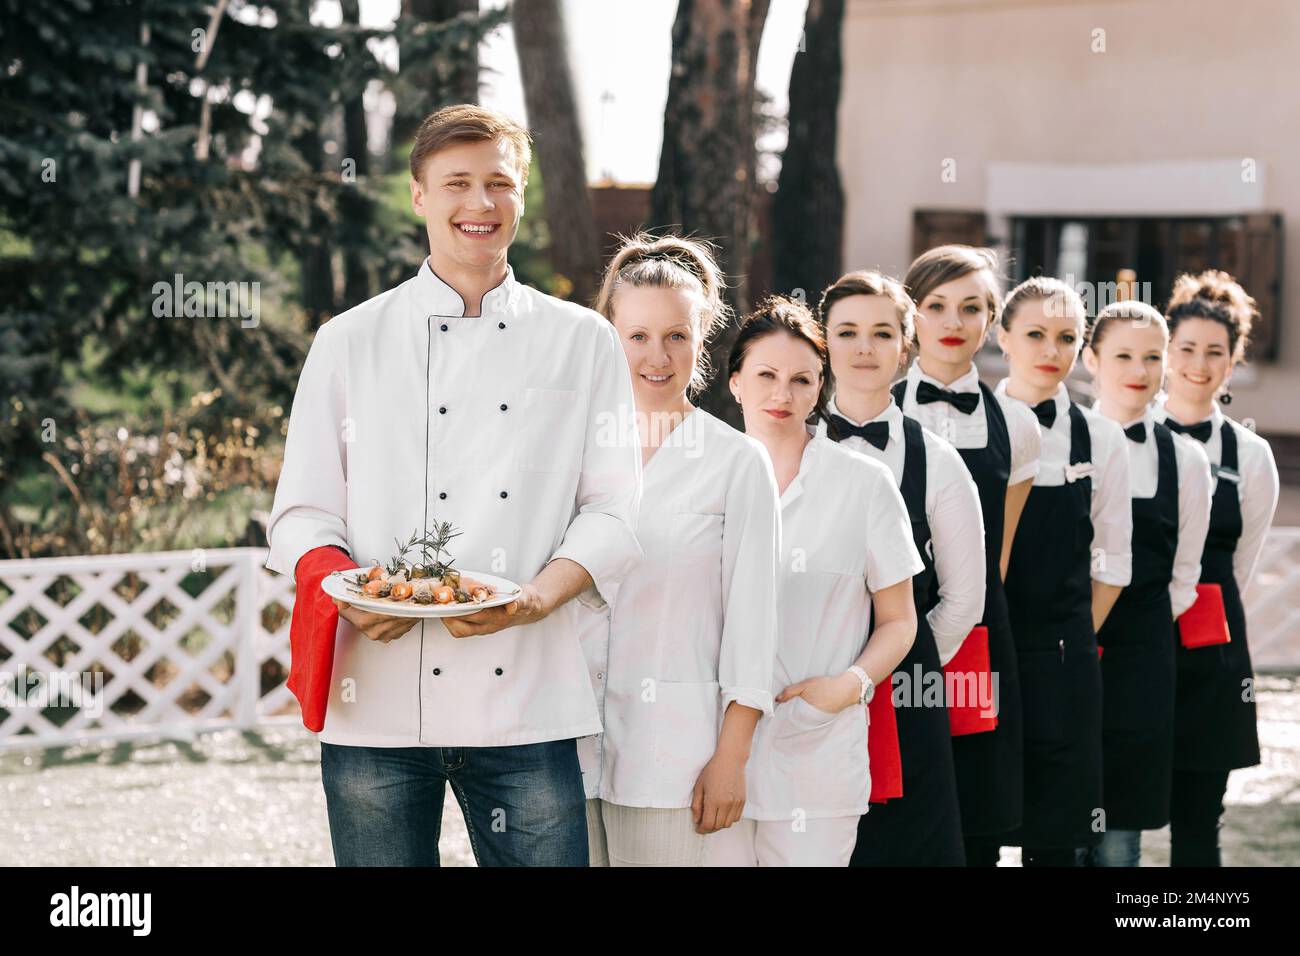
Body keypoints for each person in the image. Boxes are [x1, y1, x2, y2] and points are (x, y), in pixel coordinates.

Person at [264, 104, 643, 867]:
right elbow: (301, 512)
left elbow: (615, 509)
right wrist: (347, 592)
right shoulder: (348, 341)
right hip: (374, 702)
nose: (480, 204)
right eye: (457, 184)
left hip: (526, 703)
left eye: (499, 183)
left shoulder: (582, 340)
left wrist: (536, 596)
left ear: (523, 195)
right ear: (419, 196)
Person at [579, 233, 780, 866]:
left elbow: (755, 625)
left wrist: (731, 758)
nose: (656, 356)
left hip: (676, 761)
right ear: (609, 335)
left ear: (704, 340)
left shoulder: (737, 461)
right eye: (636, 336)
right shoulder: (572, 452)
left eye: (676, 336)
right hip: (565, 751)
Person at [705, 296, 921, 866]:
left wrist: (849, 684)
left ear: (820, 386)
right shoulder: (701, 476)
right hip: (707, 750)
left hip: (817, 756)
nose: (782, 395)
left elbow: (900, 620)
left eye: (801, 380)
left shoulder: (863, 483)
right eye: (766, 375)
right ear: (734, 381)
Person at [813, 271, 983, 866]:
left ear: (905, 347)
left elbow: (964, 598)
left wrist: (892, 659)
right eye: (848, 332)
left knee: (906, 846)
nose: (864, 348)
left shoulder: (939, 461)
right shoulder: (781, 446)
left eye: (882, 333)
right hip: (800, 682)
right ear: (824, 343)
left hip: (904, 692)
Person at [894, 245, 1039, 866]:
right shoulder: (874, 412)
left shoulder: (1019, 424)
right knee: (896, 814)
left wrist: (959, 630)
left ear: (991, 321)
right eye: (936, 306)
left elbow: (997, 557)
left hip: (978, 639)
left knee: (977, 823)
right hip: (884, 641)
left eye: (972, 308)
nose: (953, 323)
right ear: (911, 315)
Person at [995, 277, 1132, 866]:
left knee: (1056, 838)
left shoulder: (1101, 438)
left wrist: (1072, 642)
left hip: (1063, 660)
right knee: (978, 822)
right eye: (1035, 335)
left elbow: (1116, 563)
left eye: (1066, 337)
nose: (1052, 351)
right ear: (1002, 338)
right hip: (982, 650)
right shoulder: (974, 428)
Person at [1153, 270, 1280, 866]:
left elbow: (1244, 563)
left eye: (1215, 353)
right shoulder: (1120, 435)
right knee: (1102, 820)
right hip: (1132, 648)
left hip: (1211, 656)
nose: (1198, 364)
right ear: (1165, 352)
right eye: (1186, 349)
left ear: (1232, 363)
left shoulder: (1250, 456)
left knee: (1199, 827)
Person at [1080, 300, 1213, 866]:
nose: (1139, 369)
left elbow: (1185, 577)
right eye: (1123, 355)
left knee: (1119, 839)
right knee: (1059, 823)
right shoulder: (1061, 441)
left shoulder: (1187, 459)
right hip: (1067, 654)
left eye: (1153, 357)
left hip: (1142, 663)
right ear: (1091, 359)